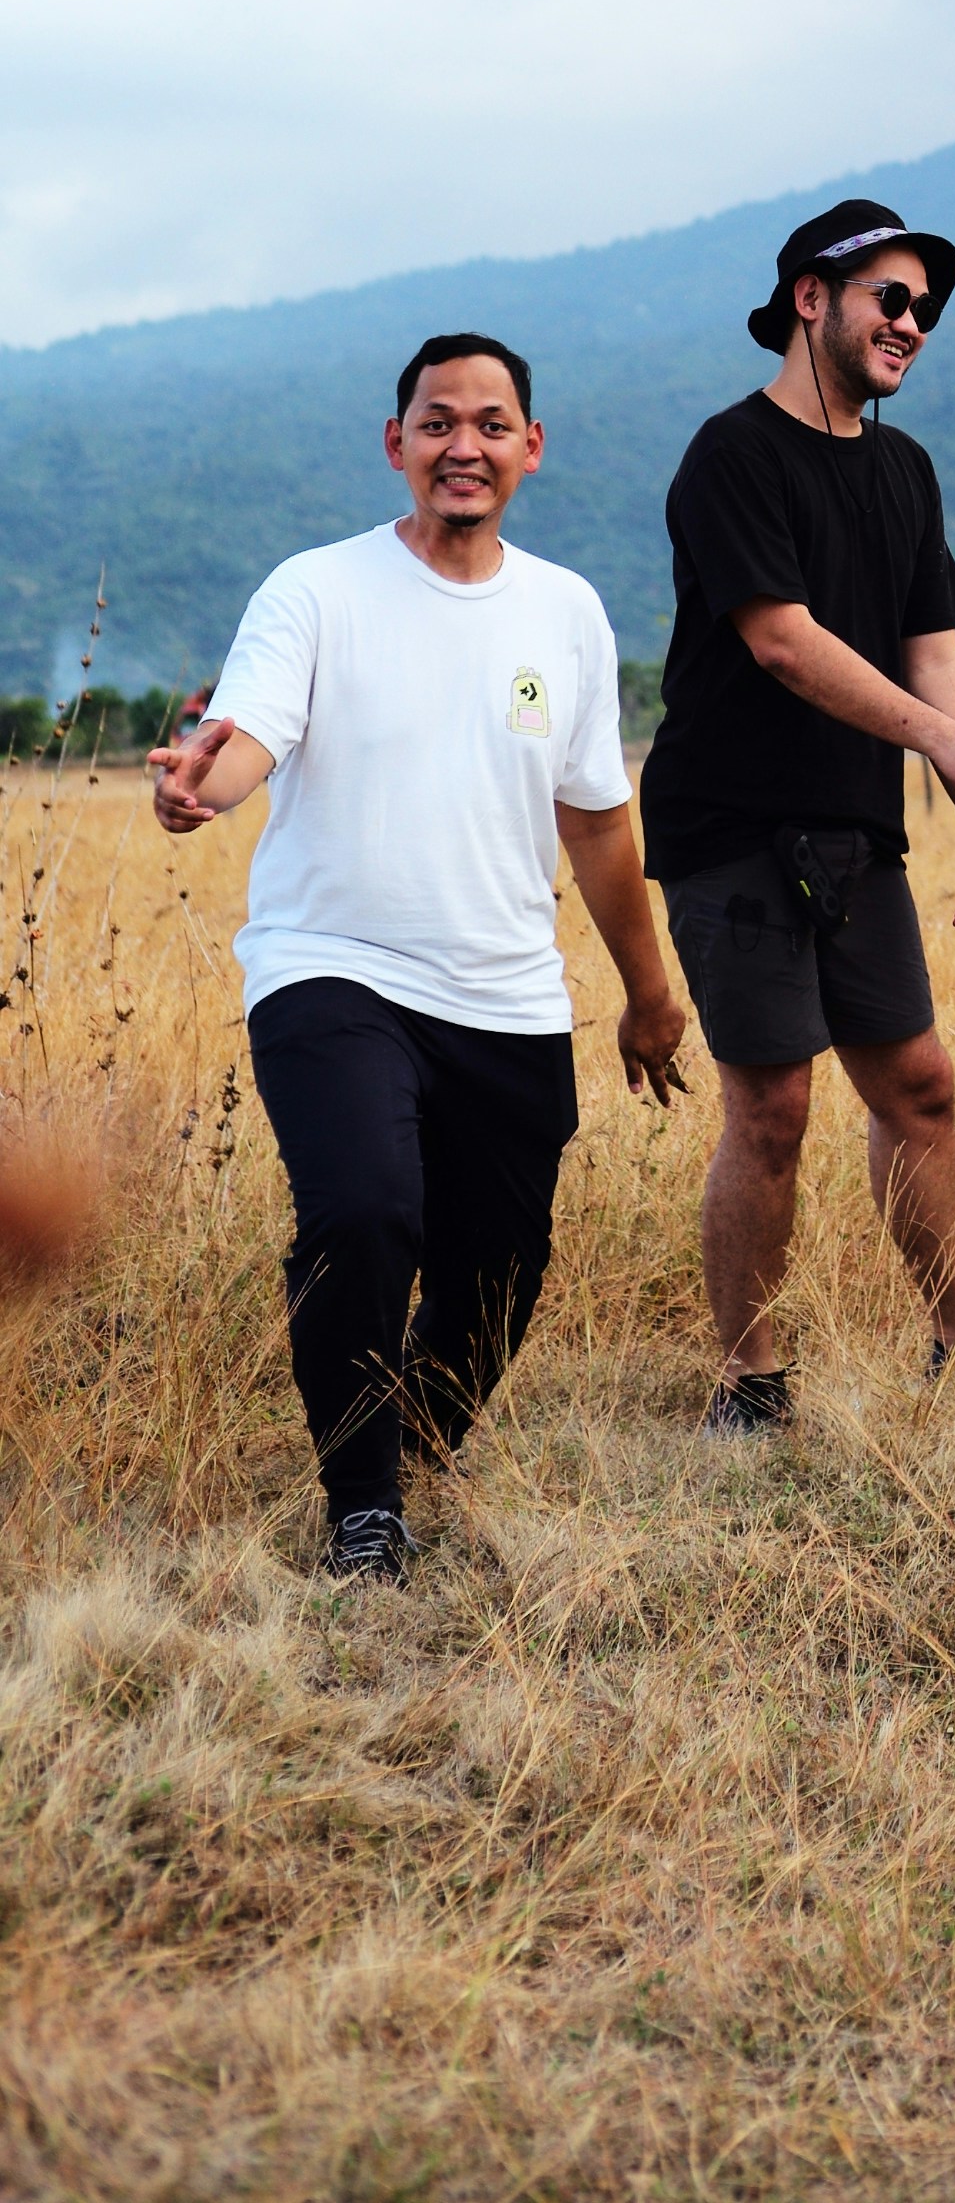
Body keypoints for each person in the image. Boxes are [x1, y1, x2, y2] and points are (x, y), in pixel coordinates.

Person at [148, 334, 687, 1584]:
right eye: (437, 421)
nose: (465, 445)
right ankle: (364, 1504)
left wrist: (649, 993)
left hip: (503, 988)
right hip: (328, 963)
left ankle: (416, 1436)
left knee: (503, 1264)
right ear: (396, 443)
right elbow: (250, 732)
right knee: (364, 1212)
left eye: (491, 423)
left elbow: (598, 817)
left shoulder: (566, 610)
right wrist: (199, 787)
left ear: (530, 448)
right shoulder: (315, 589)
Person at [640, 200, 955, 1433]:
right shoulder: (732, 454)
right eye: (890, 295)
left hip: (856, 823)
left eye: (925, 307)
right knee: (772, 1103)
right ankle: (751, 1380)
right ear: (812, 297)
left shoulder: (904, 469)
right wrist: (945, 741)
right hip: (733, 821)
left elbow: (933, 645)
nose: (912, 322)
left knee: (916, 1081)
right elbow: (780, 638)